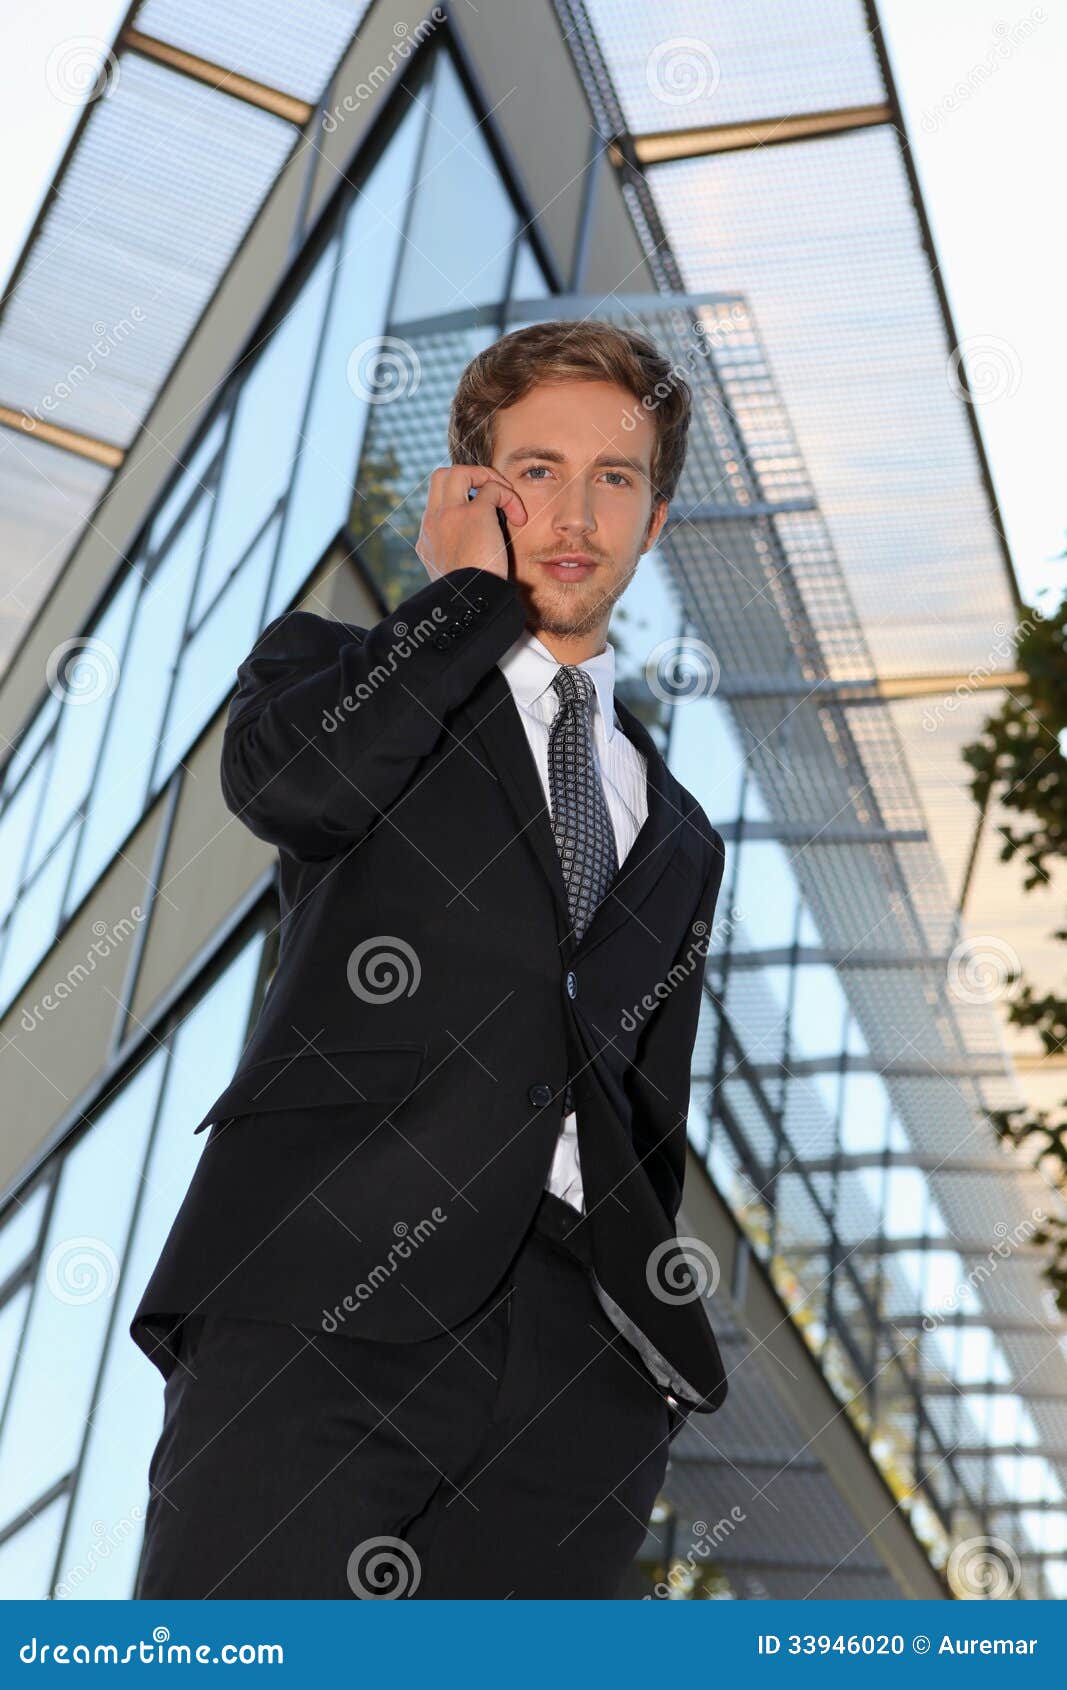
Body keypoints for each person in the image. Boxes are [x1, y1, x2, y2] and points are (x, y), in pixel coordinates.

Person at [131, 318, 728, 1599]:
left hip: (579, 1382)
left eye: (612, 478)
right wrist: (462, 597)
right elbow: (295, 789)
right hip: (327, 1294)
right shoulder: (342, 674)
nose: (573, 512)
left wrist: (640, 1360)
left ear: (654, 518)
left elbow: (645, 1109)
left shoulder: (682, 832)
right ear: (472, 492)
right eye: (534, 471)